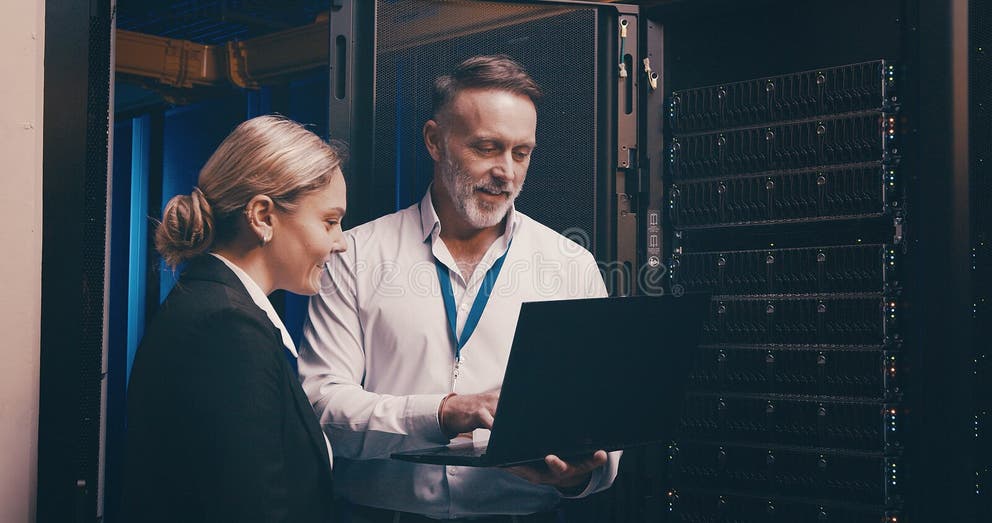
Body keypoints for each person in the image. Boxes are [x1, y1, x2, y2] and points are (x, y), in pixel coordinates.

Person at [299, 55, 620, 522]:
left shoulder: (571, 265)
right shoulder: (353, 256)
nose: (506, 171)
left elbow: (605, 415)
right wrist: (445, 412)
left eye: (521, 152)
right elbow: (322, 410)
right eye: (487, 148)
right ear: (435, 140)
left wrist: (578, 475)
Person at [122, 115, 346, 523]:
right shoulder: (226, 328)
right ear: (262, 216)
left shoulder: (213, 306)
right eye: (330, 221)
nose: (341, 242)